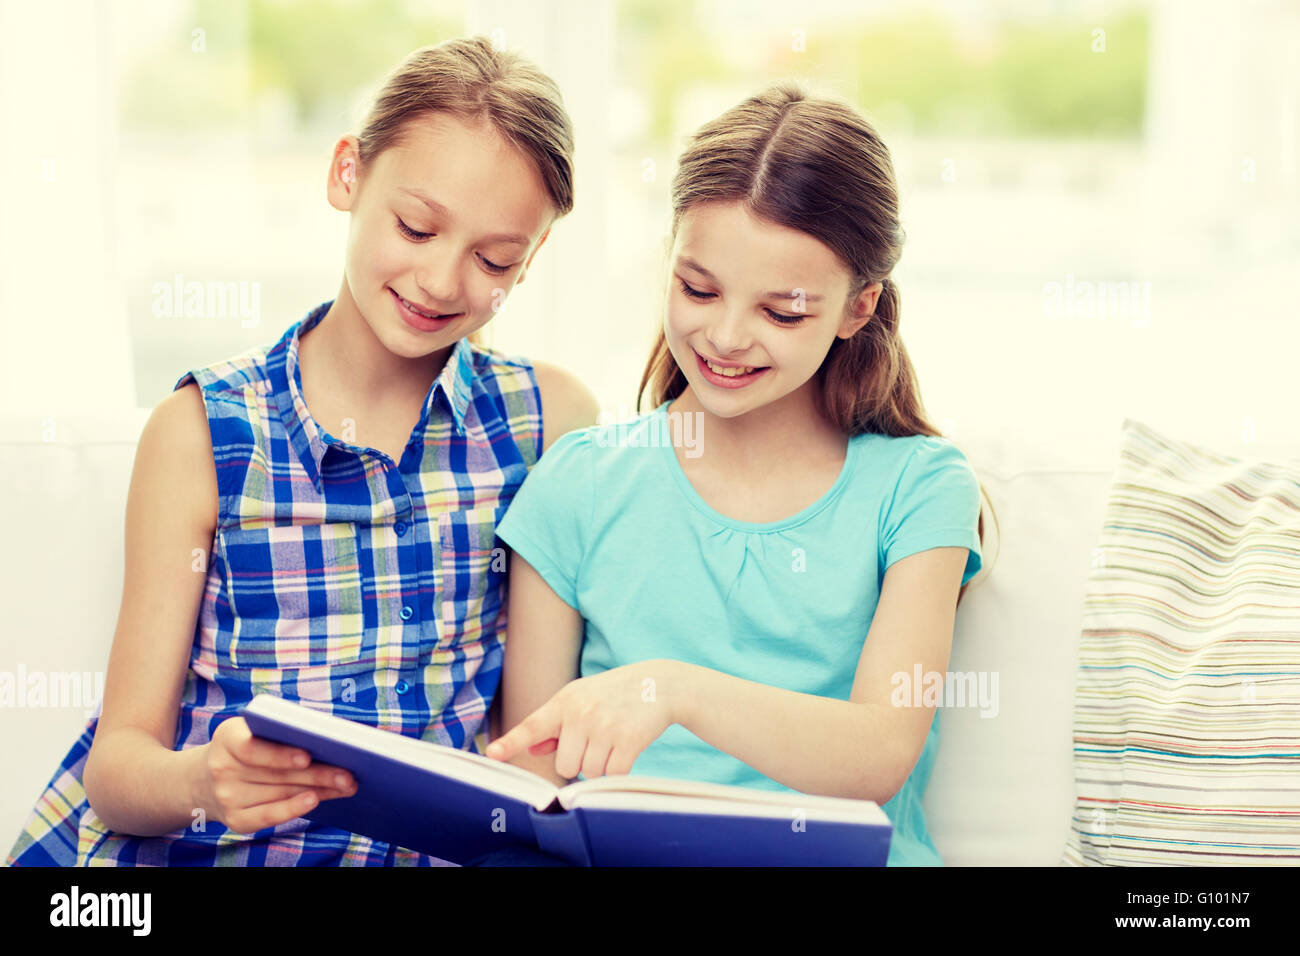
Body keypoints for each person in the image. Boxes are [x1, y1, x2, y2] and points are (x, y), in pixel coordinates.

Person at [6, 36, 596, 867]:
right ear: (346, 174)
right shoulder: (202, 431)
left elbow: (532, 748)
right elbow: (118, 769)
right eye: (416, 226)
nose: (439, 280)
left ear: (529, 264)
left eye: (494, 259)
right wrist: (204, 781)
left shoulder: (547, 419)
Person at [486, 83, 997, 867]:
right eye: (698, 289)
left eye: (782, 312)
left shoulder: (919, 487)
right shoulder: (581, 484)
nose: (725, 337)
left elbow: (879, 752)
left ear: (858, 308)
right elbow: (535, 767)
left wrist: (673, 690)